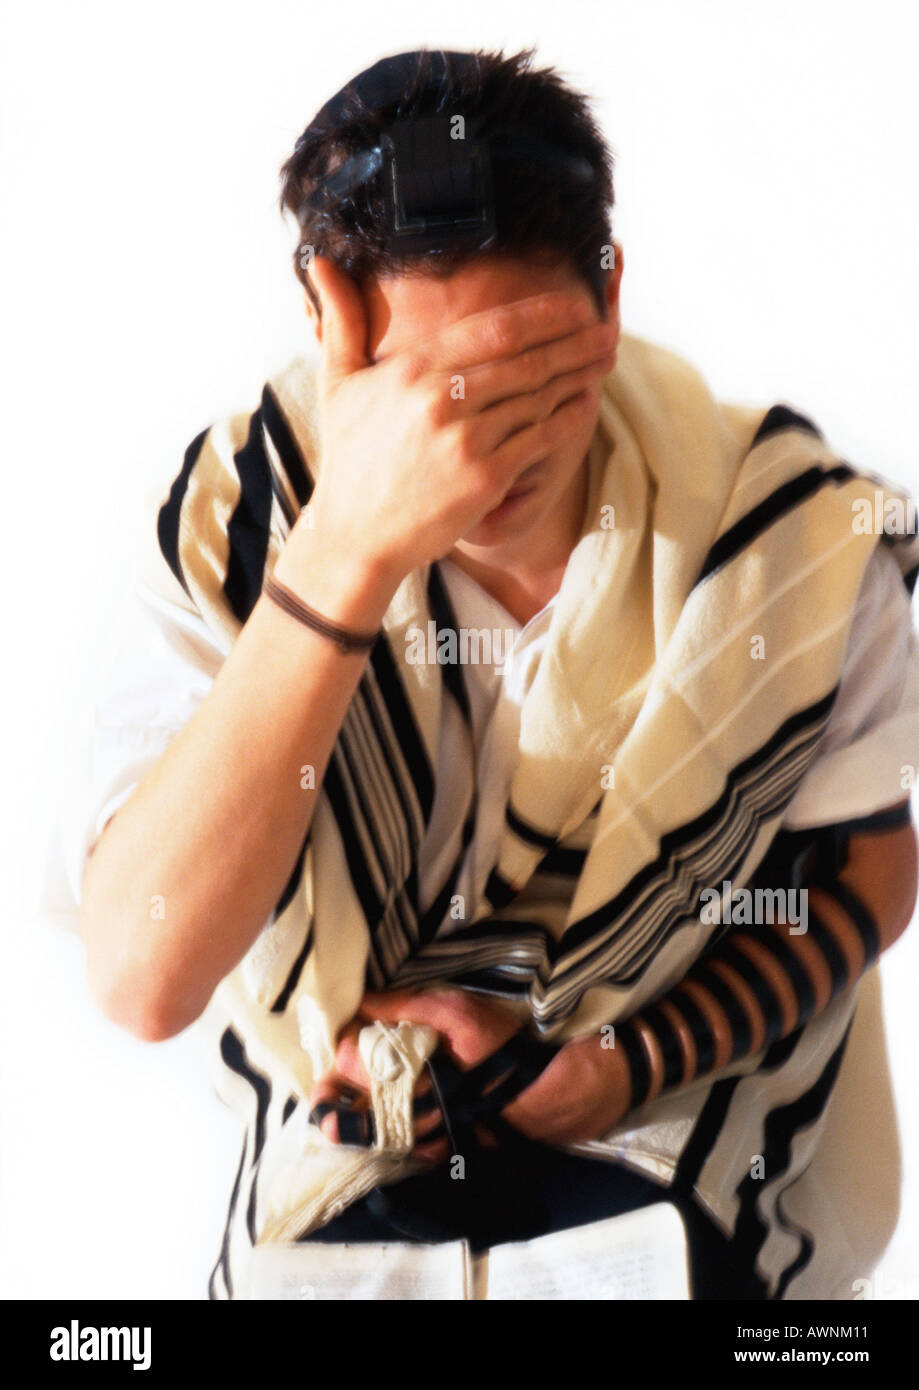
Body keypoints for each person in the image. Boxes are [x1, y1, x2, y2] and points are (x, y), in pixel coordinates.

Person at [68, 47, 919, 1300]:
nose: (483, 457)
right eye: (430, 395)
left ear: (609, 296)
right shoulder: (228, 528)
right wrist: (346, 552)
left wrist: (622, 1063)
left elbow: (866, 868)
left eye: (532, 382)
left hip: (688, 1178)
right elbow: (144, 974)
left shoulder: (787, 536)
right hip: (336, 1201)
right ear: (327, 324)